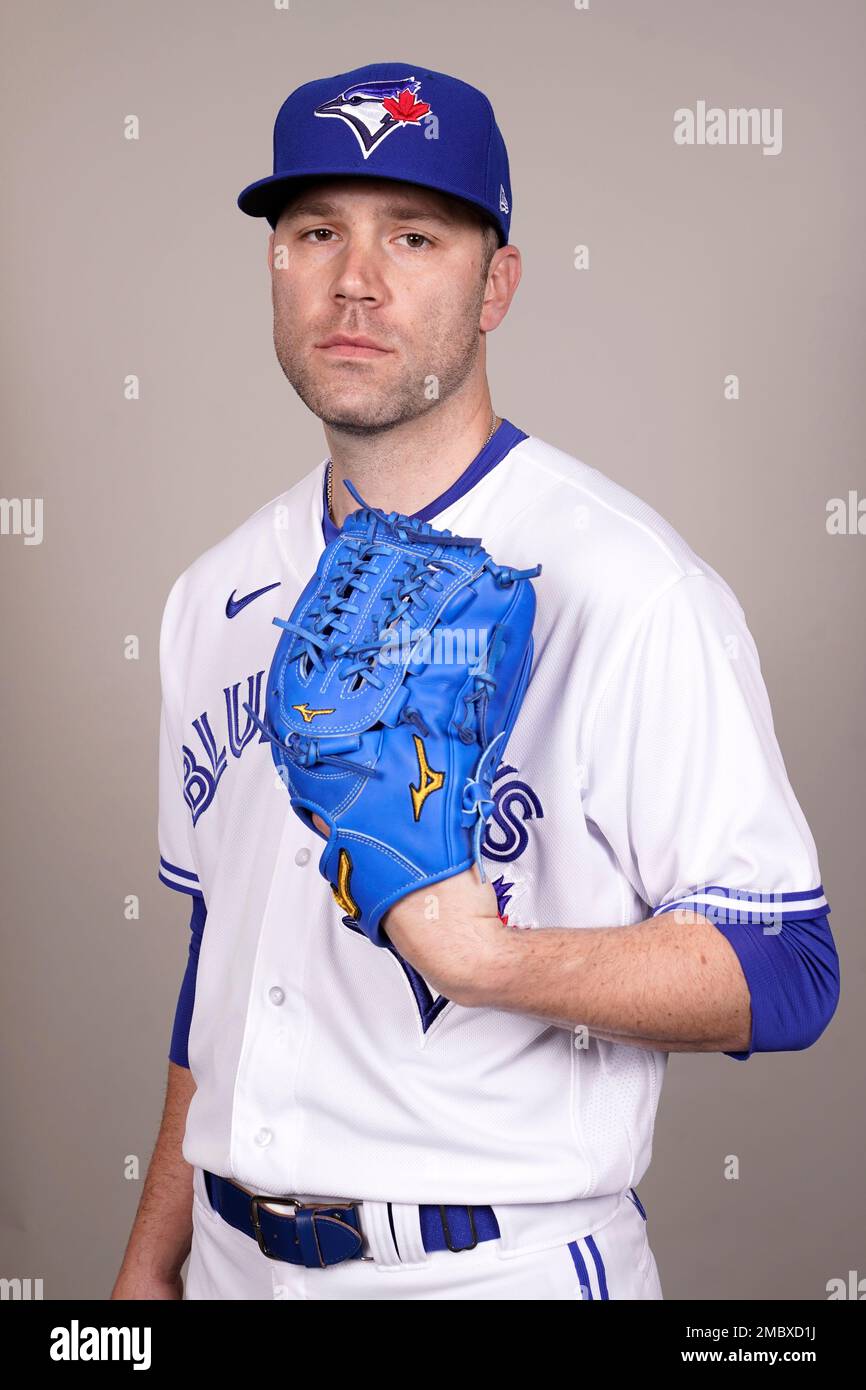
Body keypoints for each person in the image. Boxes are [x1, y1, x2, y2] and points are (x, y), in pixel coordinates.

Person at [112, 62, 839, 1301]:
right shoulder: (209, 594)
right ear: (274, 268)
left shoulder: (628, 585)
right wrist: (149, 1261)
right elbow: (218, 960)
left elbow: (786, 972)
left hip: (488, 1269)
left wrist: (491, 962)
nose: (356, 279)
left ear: (495, 283)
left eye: (413, 233)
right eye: (314, 233)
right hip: (230, 1262)